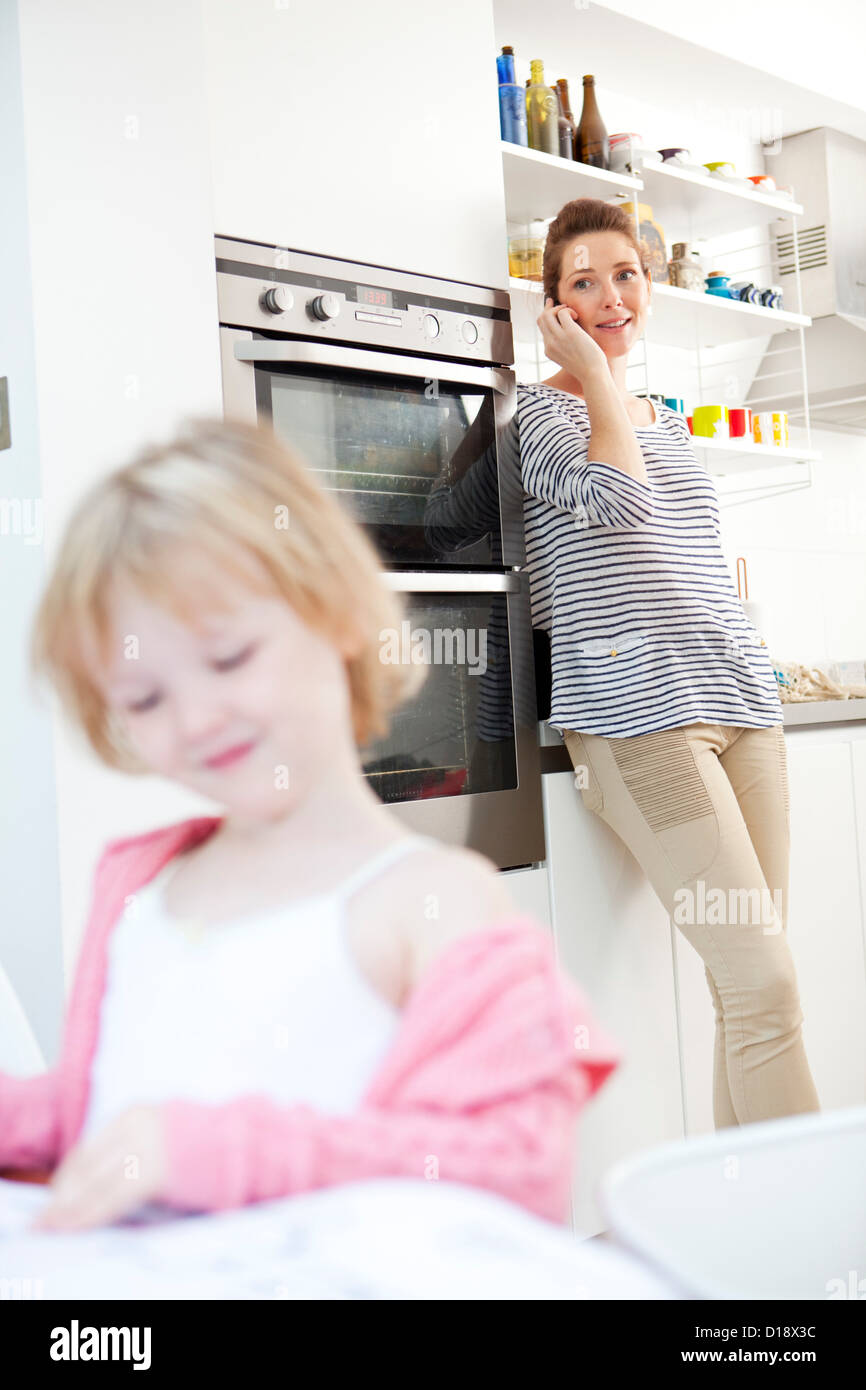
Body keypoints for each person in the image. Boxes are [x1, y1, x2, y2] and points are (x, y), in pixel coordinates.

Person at [0, 416, 620, 1232]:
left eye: (228, 659)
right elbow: (113, 1107)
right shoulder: (142, 885)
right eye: (144, 697)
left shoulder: (434, 901)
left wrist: (217, 1154)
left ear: (337, 614)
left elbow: (513, 1169)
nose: (195, 717)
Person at [518, 197, 820, 1129]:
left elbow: (685, 548)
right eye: (584, 282)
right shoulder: (537, 416)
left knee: (753, 988)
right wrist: (597, 384)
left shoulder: (665, 417)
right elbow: (617, 508)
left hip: (738, 699)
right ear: (555, 306)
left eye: (627, 276)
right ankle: (814, 1231)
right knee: (762, 983)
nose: (612, 298)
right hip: (639, 720)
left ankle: (738, 1230)